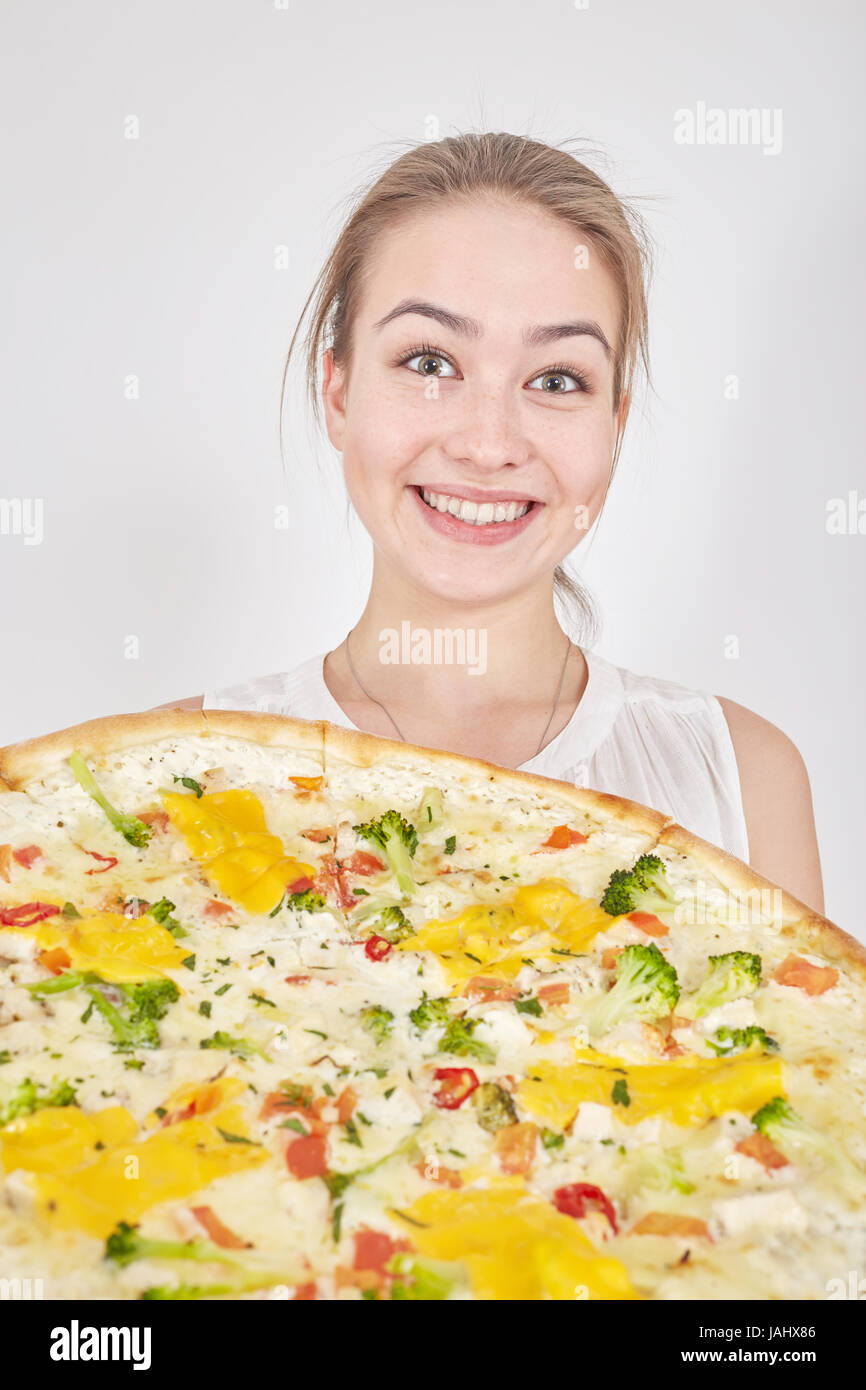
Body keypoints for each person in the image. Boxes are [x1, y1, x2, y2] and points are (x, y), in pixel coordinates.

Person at [154, 131, 824, 915]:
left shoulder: (738, 775)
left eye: (557, 378)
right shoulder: (165, 771)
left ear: (616, 422)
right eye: (430, 363)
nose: (488, 444)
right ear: (337, 394)